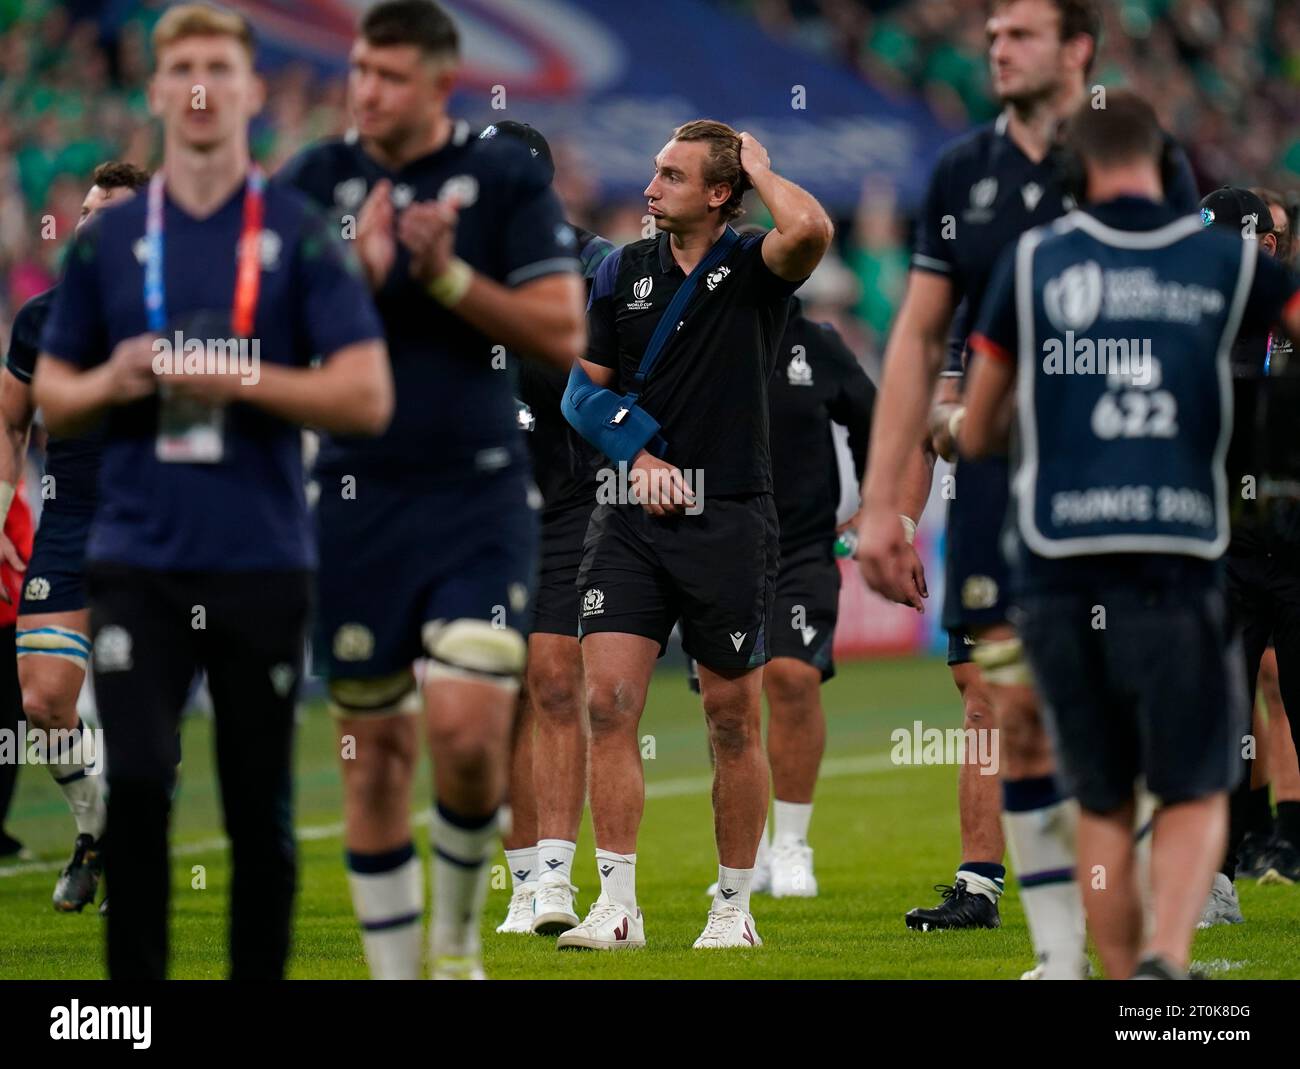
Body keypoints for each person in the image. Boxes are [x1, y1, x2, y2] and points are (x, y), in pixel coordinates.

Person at [32, 3, 392, 979]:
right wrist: (116, 377)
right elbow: (52, 397)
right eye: (180, 66)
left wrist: (234, 374)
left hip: (261, 559)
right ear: (154, 90)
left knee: (256, 803)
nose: (198, 87)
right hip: (135, 558)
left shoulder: (299, 231)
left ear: (251, 90)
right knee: (140, 789)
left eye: (218, 69)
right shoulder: (105, 246)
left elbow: (365, 392)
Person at [857, 0, 1197, 975]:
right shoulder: (963, 171)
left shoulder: (1137, 153)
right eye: (991, 34)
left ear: (1076, 49)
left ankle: (1147, 938)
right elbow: (919, 340)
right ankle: (1055, 952)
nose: (996, 49)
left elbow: (1179, 306)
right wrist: (884, 504)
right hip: (1001, 486)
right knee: (1008, 708)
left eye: (1019, 35)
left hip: (1118, 480)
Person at [960, 90, 1300, 979]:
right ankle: (1165, 960)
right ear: (1164, 166)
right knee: (1192, 777)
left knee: (1103, 791)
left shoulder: (1035, 260)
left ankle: (1112, 971)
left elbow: (982, 428)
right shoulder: (1217, 266)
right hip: (1184, 553)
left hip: (1061, 561)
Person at [279, 1, 586, 979]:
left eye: (389, 74)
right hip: (356, 495)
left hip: (478, 491)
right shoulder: (314, 180)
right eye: (359, 70)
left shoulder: (500, 180)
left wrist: (445, 277)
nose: (366, 89)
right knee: (373, 763)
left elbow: (559, 330)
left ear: (439, 83)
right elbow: (268, 340)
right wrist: (355, 278)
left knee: (461, 733)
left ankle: (455, 942)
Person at [557, 119, 832, 949]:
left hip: (731, 517)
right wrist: (636, 454)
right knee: (607, 702)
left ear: (719, 193)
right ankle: (616, 907)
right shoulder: (618, 270)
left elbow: (811, 228)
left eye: (672, 176)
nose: (649, 189)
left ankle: (732, 907)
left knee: (729, 720)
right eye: (652, 172)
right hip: (631, 519)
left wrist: (758, 164)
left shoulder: (756, 266)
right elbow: (579, 394)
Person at [690, 288, 896, 899]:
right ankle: (745, 854)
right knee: (729, 699)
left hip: (804, 545)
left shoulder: (819, 345)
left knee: (792, 677)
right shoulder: (708, 331)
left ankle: (792, 845)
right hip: (723, 543)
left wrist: (873, 506)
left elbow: (875, 422)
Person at [0, 161, 150, 912]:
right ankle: (98, 829)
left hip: (155, 531)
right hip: (67, 520)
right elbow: (9, 420)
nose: (86, 222)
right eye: (85, 210)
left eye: (108, 213)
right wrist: (1, 508)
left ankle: (113, 843)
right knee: (43, 701)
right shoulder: (40, 318)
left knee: (147, 726)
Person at [479, 121, 616, 937]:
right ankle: (523, 877)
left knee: (557, 679)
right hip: (481, 508)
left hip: (569, 499)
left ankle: (558, 878)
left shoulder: (594, 265)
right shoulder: (450, 275)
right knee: (493, 702)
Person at [1200, 185, 1300, 910]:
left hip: (1296, 552)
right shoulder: (1190, 329)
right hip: (1226, 554)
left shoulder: (1290, 324)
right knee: (1221, 719)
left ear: (1263, 247)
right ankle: (1216, 875)